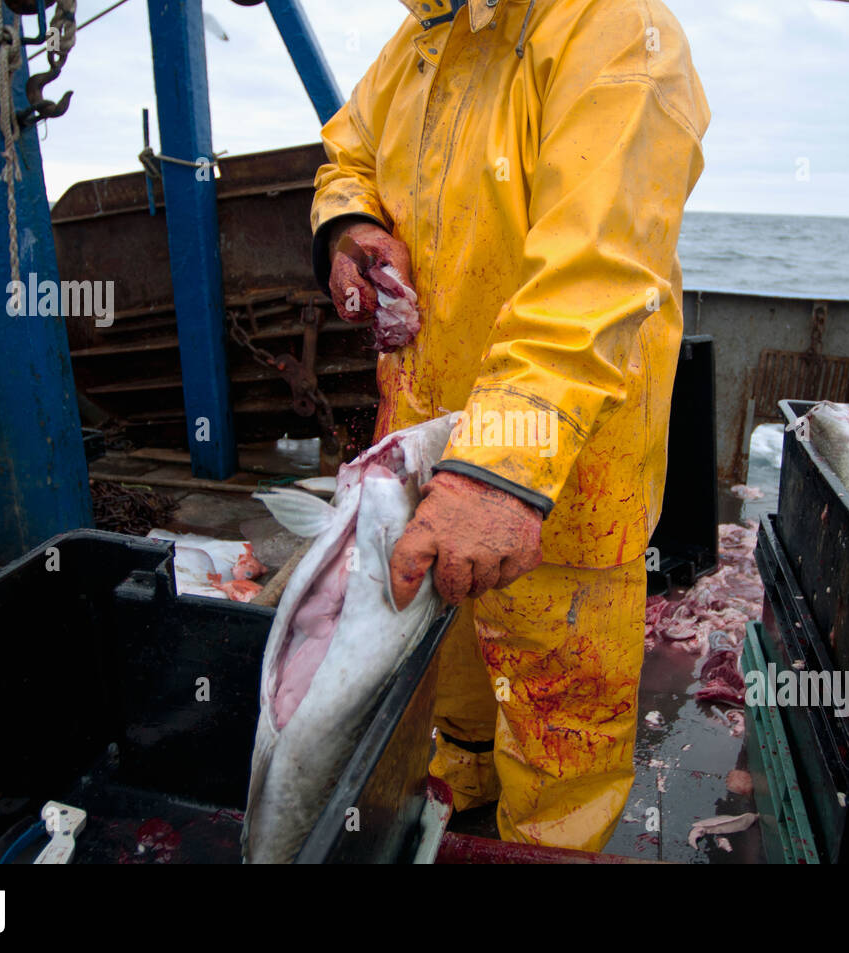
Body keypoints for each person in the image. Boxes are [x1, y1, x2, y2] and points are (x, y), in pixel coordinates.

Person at [311, 0, 708, 850]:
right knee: (444, 658)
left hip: (564, 463)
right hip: (430, 427)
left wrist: (500, 467)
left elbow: (597, 276)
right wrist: (349, 225)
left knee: (562, 714)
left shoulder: (616, 31)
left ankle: (547, 842)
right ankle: (460, 778)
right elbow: (349, 149)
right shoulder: (414, 45)